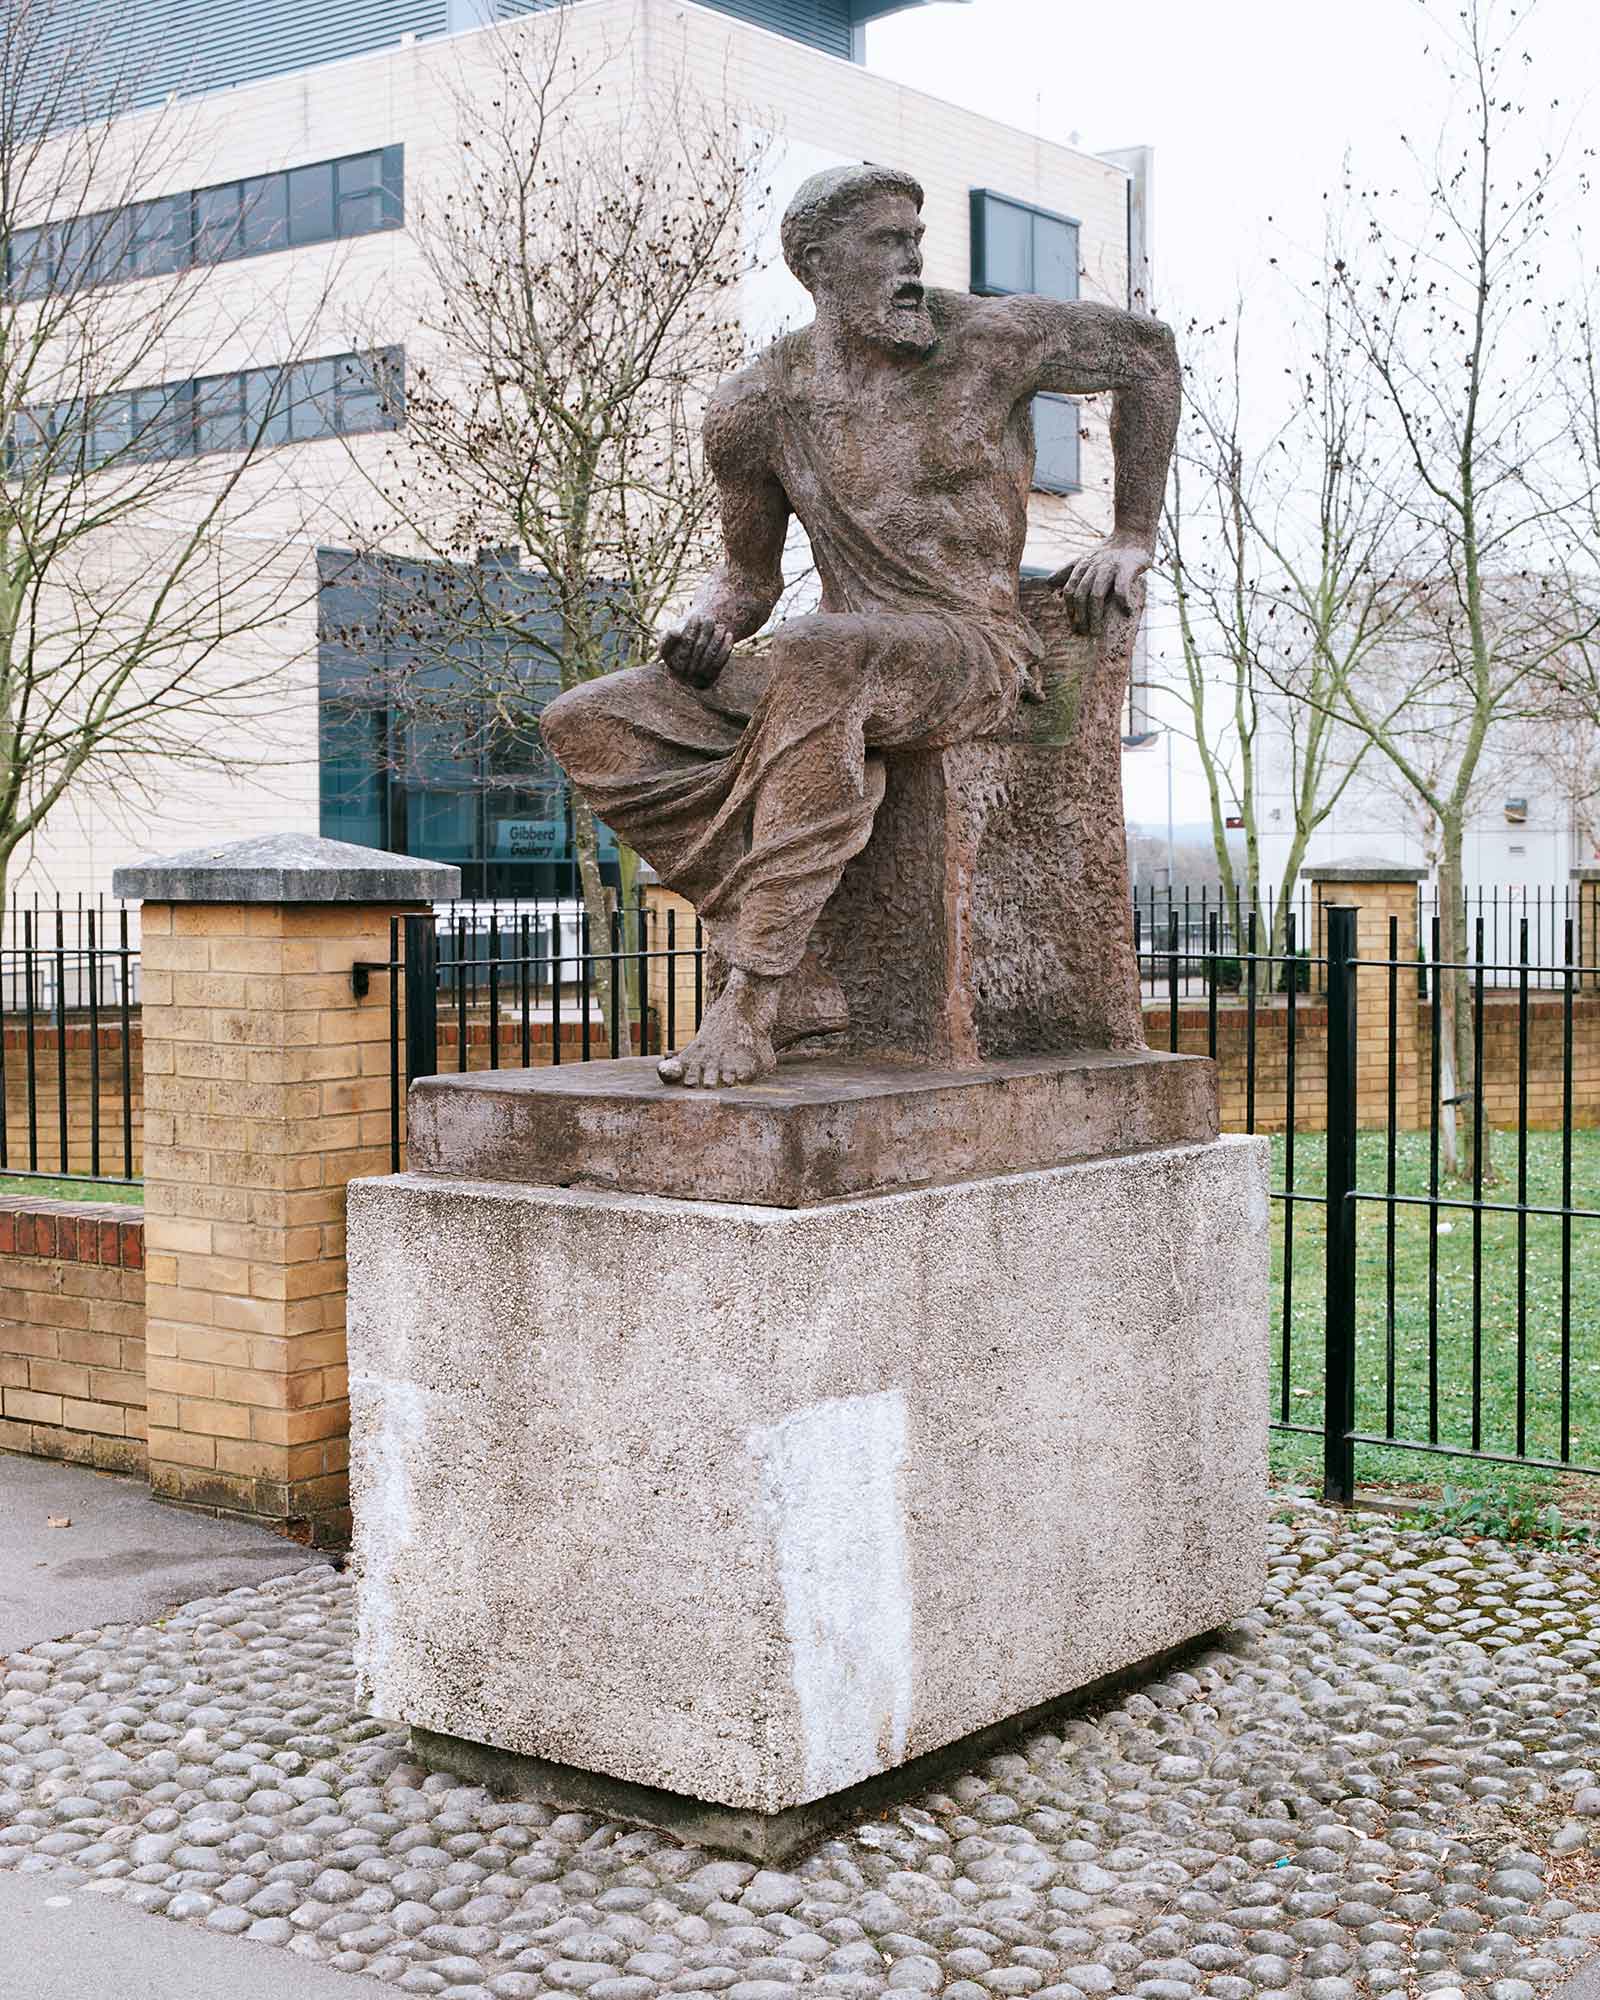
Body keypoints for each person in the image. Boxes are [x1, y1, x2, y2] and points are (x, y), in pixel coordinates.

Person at [540, 163, 1180, 1086]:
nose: (911, 264)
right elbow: (747, 580)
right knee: (588, 719)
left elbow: (1148, 356)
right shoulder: (757, 406)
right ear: (816, 264)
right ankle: (792, 960)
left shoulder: (988, 341)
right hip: (840, 661)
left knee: (817, 651)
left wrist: (1131, 532)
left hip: (975, 650)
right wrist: (705, 626)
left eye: (916, 243)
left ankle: (757, 997)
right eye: (887, 244)